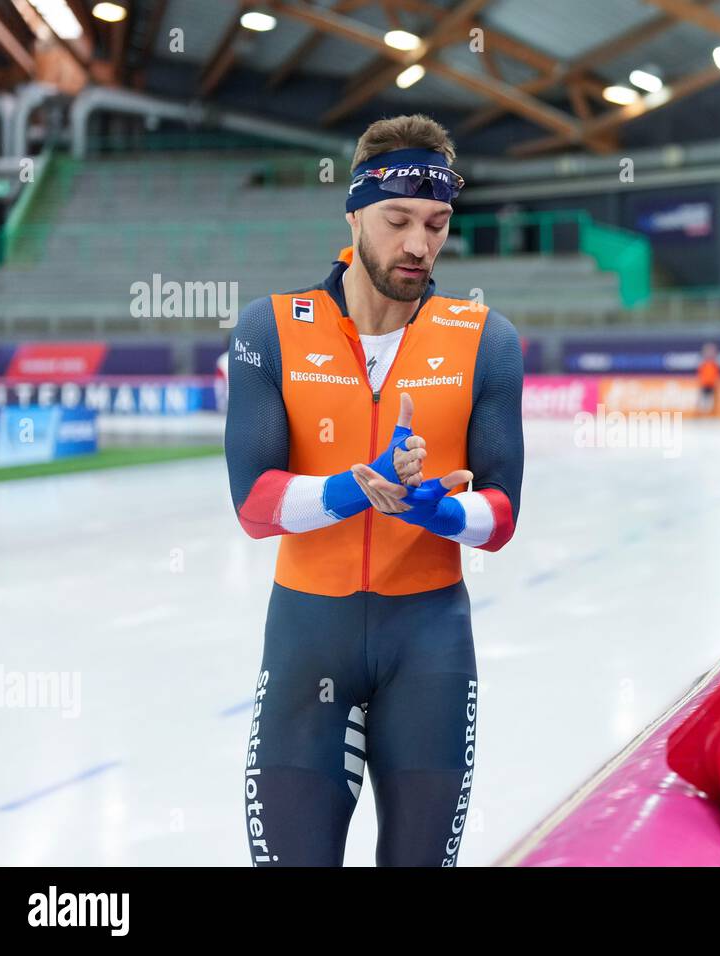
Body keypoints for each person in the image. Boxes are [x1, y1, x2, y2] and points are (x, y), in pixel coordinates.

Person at [224, 114, 524, 866]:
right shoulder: (271, 329)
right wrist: (357, 492)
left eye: (437, 222)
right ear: (354, 210)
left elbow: (502, 515)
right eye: (397, 220)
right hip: (306, 638)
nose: (419, 244)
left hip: (429, 644)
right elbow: (255, 507)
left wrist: (439, 509)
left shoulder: (487, 338)